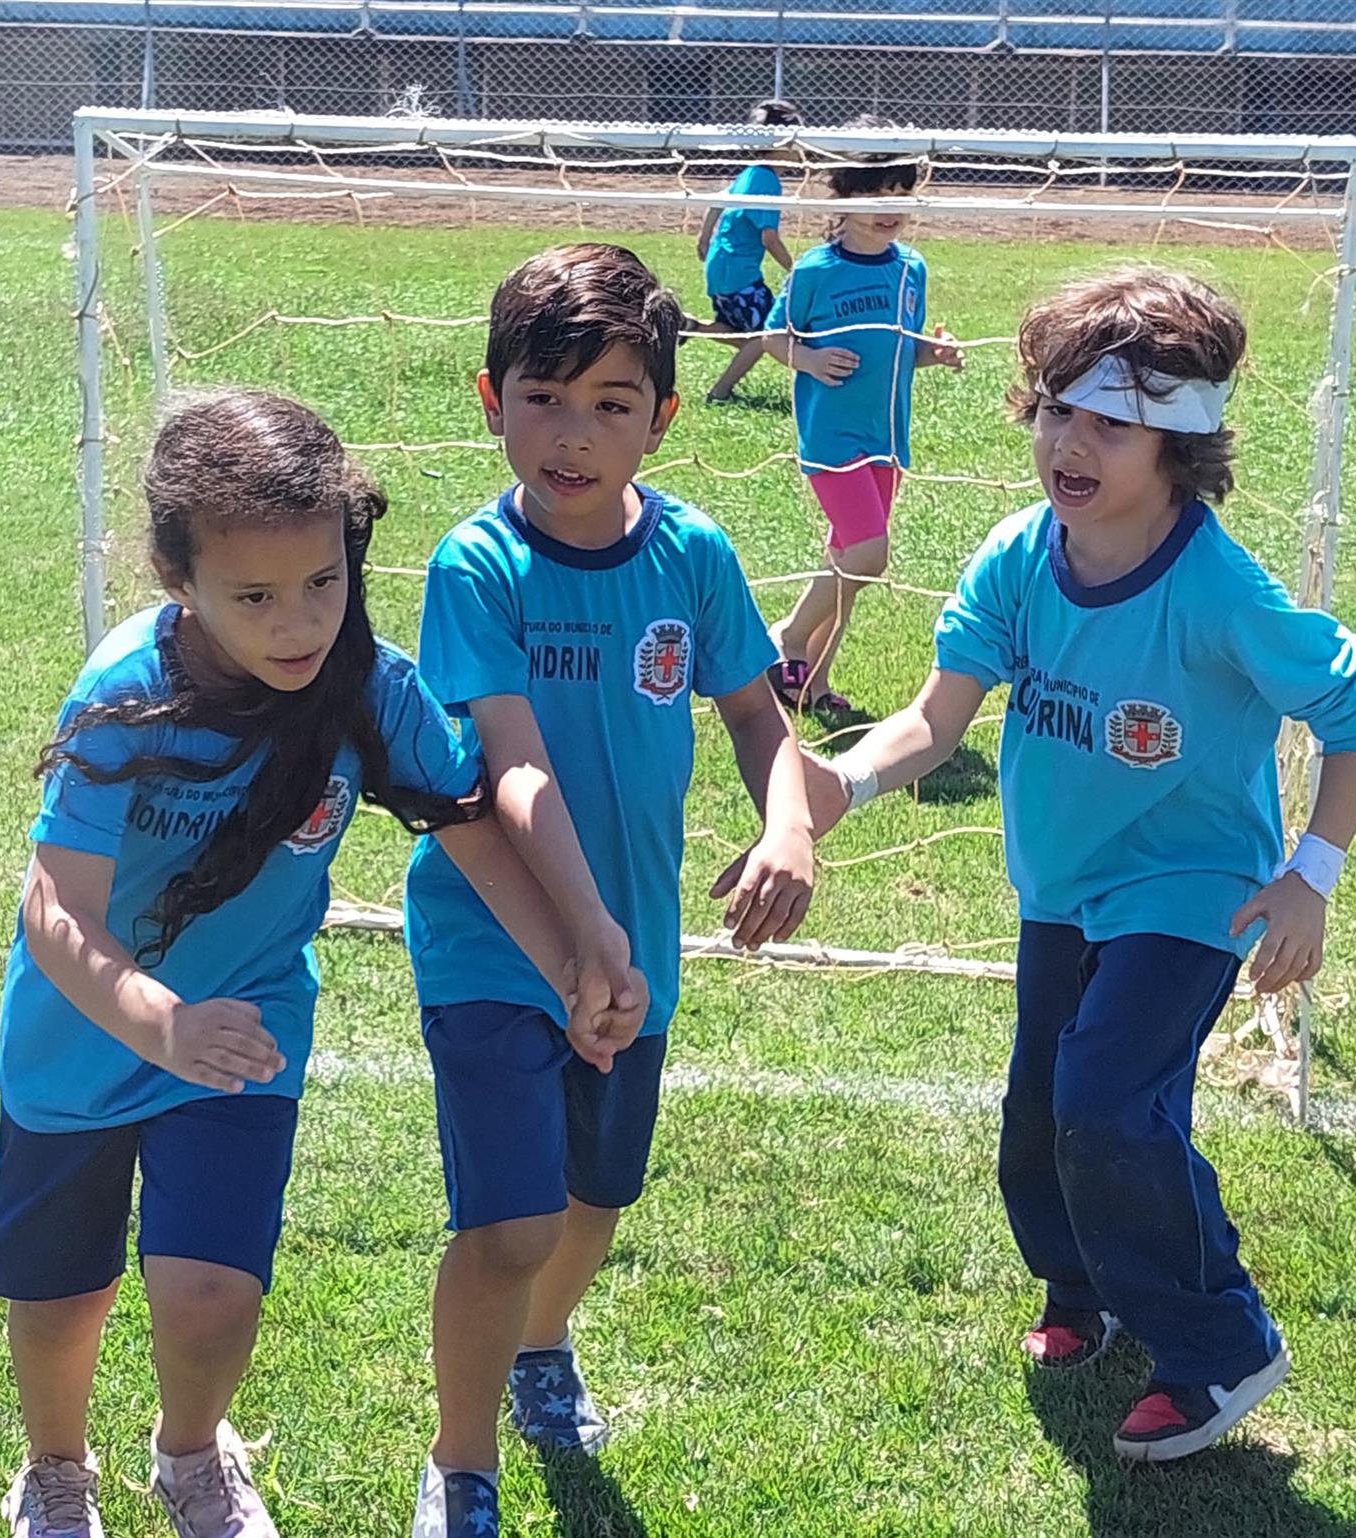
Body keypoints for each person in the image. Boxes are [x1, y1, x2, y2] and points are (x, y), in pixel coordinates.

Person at [0, 389, 619, 1538]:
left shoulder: (371, 687)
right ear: (180, 580)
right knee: (61, 1291)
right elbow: (53, 914)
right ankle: (56, 1466)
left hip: (245, 1025)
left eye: (322, 582)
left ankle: (190, 1454)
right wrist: (157, 1020)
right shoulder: (127, 693)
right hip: (82, 1032)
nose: (298, 623)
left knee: (211, 1293)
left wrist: (564, 966)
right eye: (255, 597)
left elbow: (469, 827)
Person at [803, 269, 1356, 1462]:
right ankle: (1083, 1287)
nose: (1067, 441)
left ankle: (1218, 1339)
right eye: (1053, 410)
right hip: (1062, 884)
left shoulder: (1221, 591)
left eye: (1109, 424)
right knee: (1040, 1115)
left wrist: (1309, 870)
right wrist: (843, 781)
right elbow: (936, 715)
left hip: (1191, 889)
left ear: (1179, 442)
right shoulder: (1019, 555)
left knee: (1108, 1102)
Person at [404, 243, 816, 1536]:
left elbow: (758, 717)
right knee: (513, 1217)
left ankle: (542, 1348)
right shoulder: (476, 569)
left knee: (597, 1200)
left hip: (632, 953)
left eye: (612, 404)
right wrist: (582, 938)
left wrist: (792, 826)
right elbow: (513, 771)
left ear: (665, 420)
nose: (573, 435)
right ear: (490, 399)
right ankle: (460, 1463)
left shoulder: (692, 557)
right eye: (544, 397)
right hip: (497, 942)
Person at [762, 123, 963, 716]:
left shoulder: (911, 270)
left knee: (848, 566)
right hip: (831, 439)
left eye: (901, 194)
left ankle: (812, 685)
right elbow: (773, 336)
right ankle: (788, 639)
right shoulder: (816, 271)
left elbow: (905, 347)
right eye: (877, 196)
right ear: (843, 200)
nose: (890, 210)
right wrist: (811, 359)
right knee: (869, 555)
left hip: (888, 441)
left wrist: (936, 351)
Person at [696, 97, 803, 403]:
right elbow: (770, 238)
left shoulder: (749, 172)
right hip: (739, 272)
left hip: (721, 267)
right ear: (780, 142)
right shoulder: (767, 180)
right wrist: (797, 271)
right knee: (767, 334)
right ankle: (720, 391)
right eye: (795, 140)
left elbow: (717, 202)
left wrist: (704, 238)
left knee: (742, 334)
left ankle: (691, 327)